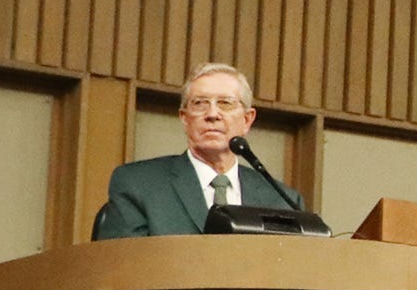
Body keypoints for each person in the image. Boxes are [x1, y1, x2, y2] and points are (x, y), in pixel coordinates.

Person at [93, 63, 304, 238]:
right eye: (200, 103)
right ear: (184, 118)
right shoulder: (139, 185)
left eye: (225, 103)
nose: (212, 114)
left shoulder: (283, 201)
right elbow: (121, 271)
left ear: (247, 119)